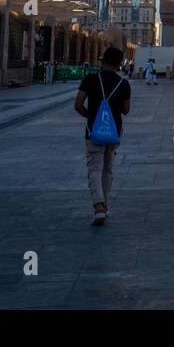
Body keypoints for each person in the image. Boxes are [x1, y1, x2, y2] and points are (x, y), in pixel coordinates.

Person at [74, 47, 131, 226]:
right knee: (107, 170)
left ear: (102, 60)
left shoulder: (90, 79)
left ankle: (98, 206)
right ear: (120, 63)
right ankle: (104, 206)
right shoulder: (123, 84)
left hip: (93, 132)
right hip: (113, 132)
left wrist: (90, 116)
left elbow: (78, 104)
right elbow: (126, 110)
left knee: (94, 169)